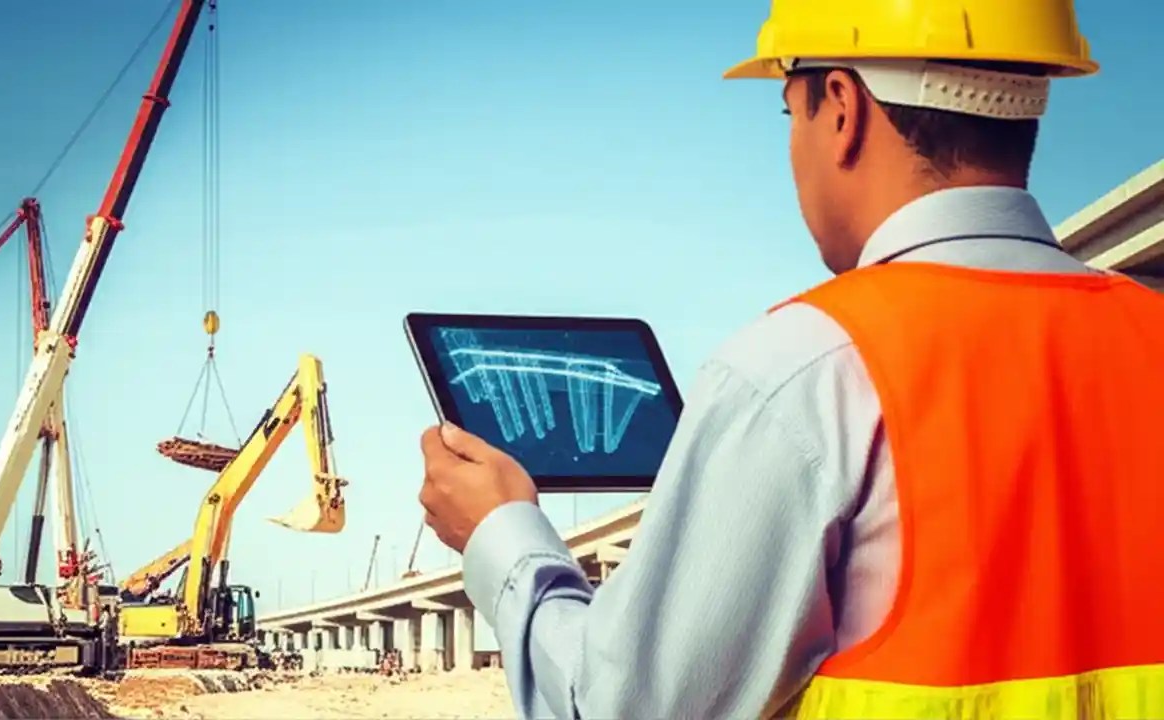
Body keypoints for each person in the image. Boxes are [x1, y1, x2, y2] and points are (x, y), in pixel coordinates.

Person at [419, 1, 1164, 717]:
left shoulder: (806, 370)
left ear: (841, 108)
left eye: (789, 111)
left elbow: (616, 708)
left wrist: (501, 534)